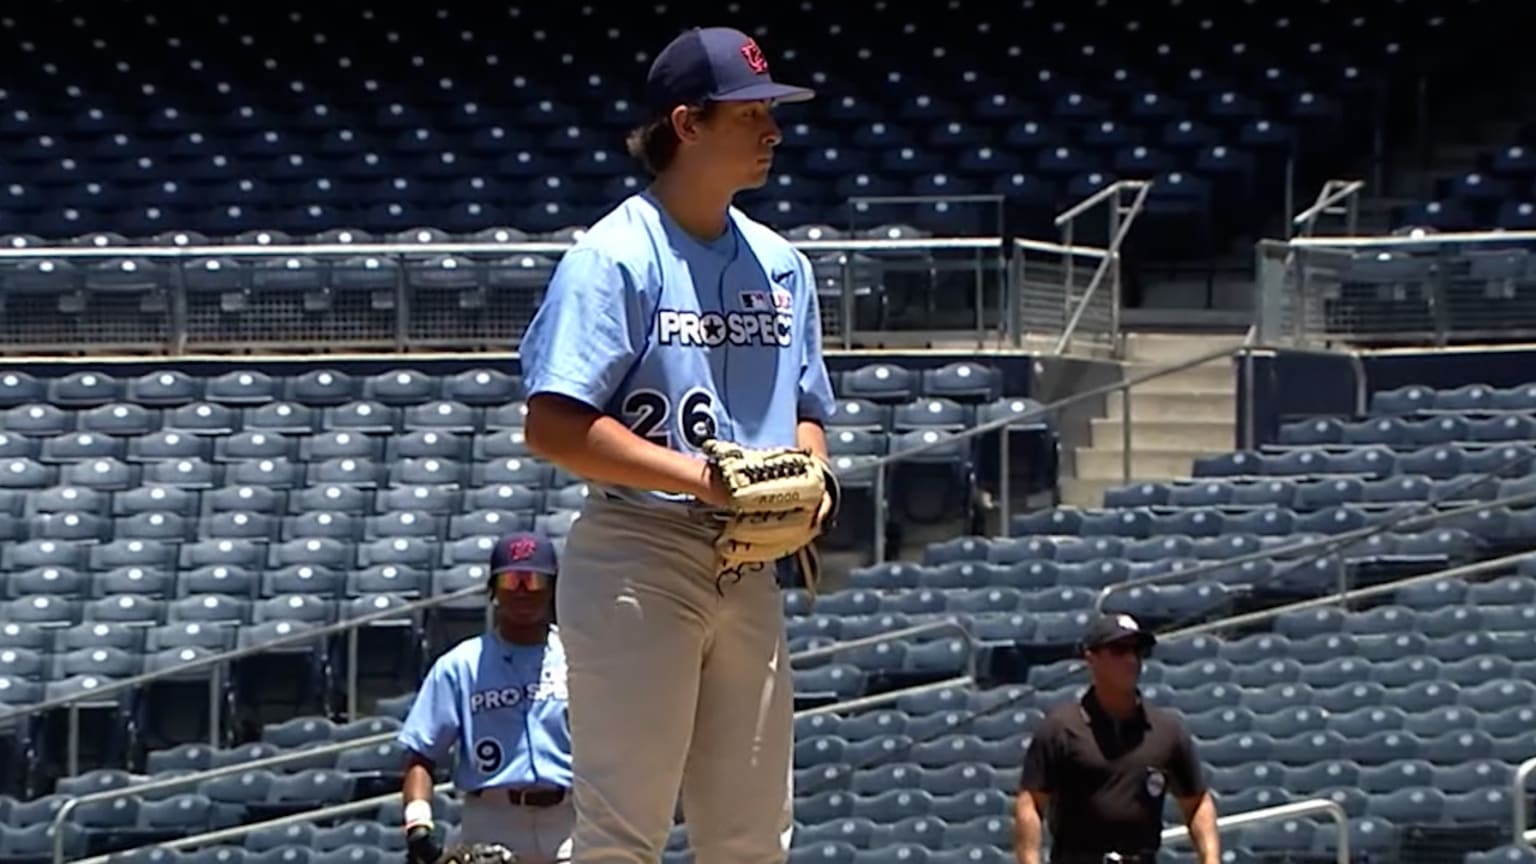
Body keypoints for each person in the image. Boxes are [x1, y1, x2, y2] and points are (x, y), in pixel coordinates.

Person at [516, 24, 835, 864]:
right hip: (639, 554)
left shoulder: (783, 265)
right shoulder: (613, 256)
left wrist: (811, 474)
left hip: (751, 562)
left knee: (751, 839)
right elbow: (552, 424)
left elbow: (808, 408)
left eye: (771, 111)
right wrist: (703, 480)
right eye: (750, 113)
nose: (773, 129)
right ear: (687, 124)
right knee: (624, 836)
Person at [397, 531, 573, 864]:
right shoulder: (460, 665)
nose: (523, 591)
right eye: (511, 580)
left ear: (553, 587)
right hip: (492, 819)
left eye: (534, 580)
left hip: (570, 817)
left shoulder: (579, 658)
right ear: (493, 589)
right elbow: (422, 754)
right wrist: (417, 824)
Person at [1014, 613, 1220, 864]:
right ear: (1092, 658)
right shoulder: (1061, 728)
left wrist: (1210, 859)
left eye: (1137, 651)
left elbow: (1197, 801)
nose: (1131, 659)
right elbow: (1030, 803)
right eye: (1119, 650)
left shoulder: (1166, 730)